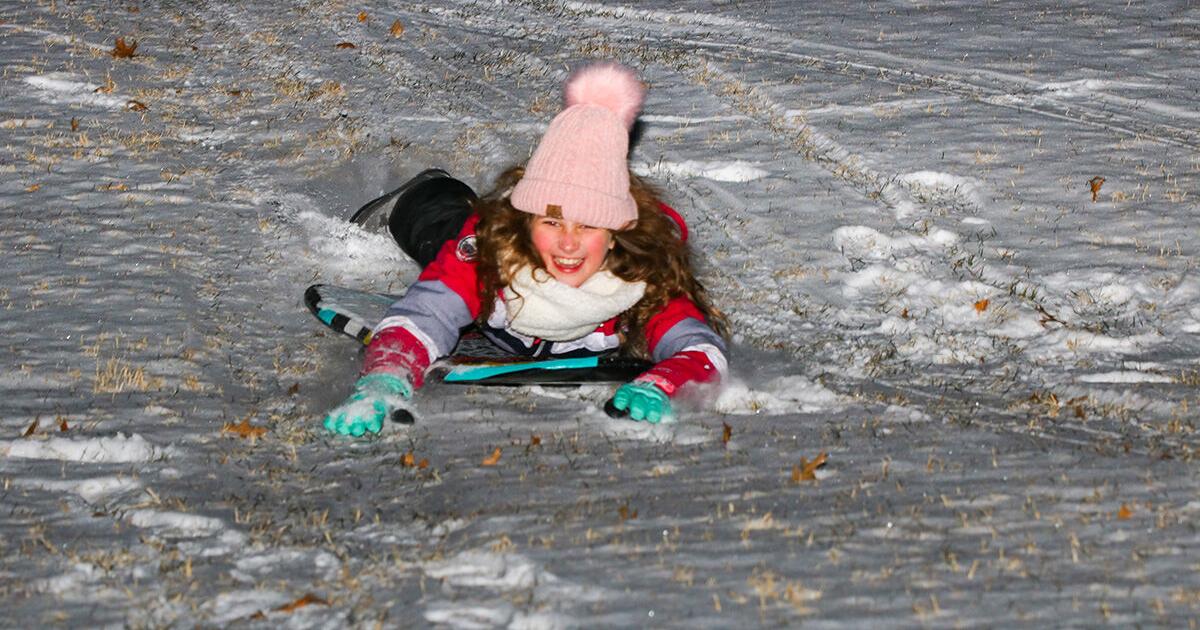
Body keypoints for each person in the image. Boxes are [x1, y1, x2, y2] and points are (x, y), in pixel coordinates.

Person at [323, 62, 729, 437]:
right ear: (527, 221)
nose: (568, 243)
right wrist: (385, 377)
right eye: (551, 223)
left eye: (587, 226)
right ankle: (425, 189)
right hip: (479, 238)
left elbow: (697, 346)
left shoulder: (641, 272)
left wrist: (665, 382)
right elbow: (427, 314)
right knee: (441, 233)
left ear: (615, 232)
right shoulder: (490, 252)